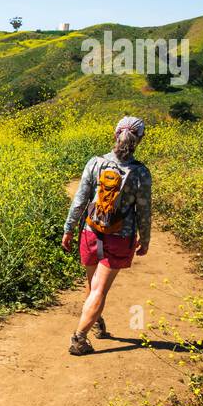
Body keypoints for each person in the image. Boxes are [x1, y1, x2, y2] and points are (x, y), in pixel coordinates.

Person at [60, 116, 152, 356]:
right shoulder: (140, 172)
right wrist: (146, 237)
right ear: (139, 140)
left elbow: (80, 200)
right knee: (99, 289)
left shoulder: (95, 163)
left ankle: (96, 322)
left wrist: (68, 228)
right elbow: (143, 208)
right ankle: (79, 338)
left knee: (92, 285)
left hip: (91, 232)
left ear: (115, 135)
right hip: (120, 237)